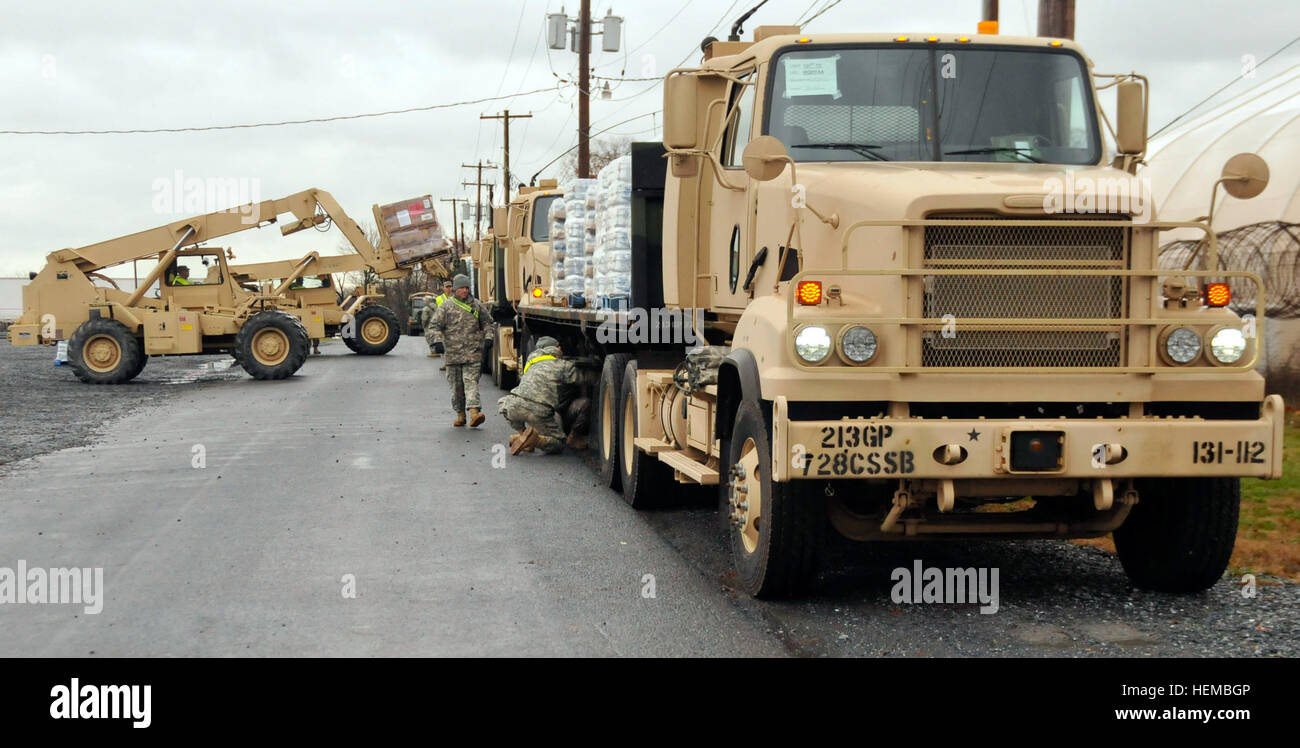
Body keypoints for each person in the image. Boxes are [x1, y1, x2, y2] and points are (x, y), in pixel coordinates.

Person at [498, 336, 589, 455]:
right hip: (539, 410)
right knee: (558, 444)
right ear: (559, 348)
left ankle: (522, 435)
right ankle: (535, 440)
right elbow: (583, 379)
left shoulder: (530, 362)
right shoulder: (563, 365)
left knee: (503, 403)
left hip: (515, 405)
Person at [428, 274, 493, 427]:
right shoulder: (445, 307)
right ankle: (461, 414)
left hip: (473, 353)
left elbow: (488, 323)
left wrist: (489, 337)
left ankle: (474, 414)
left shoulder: (476, 305)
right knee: (457, 389)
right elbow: (434, 326)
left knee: (471, 383)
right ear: (455, 289)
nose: (465, 291)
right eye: (462, 288)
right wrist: (437, 341)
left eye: (467, 288)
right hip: (452, 355)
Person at [423, 279, 455, 364]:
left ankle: (451, 362)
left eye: (450, 287)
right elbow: (436, 311)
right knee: (443, 342)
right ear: (443, 288)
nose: (449, 289)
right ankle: (446, 363)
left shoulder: (455, 297)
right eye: (447, 287)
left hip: (453, 322)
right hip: (443, 322)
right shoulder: (439, 299)